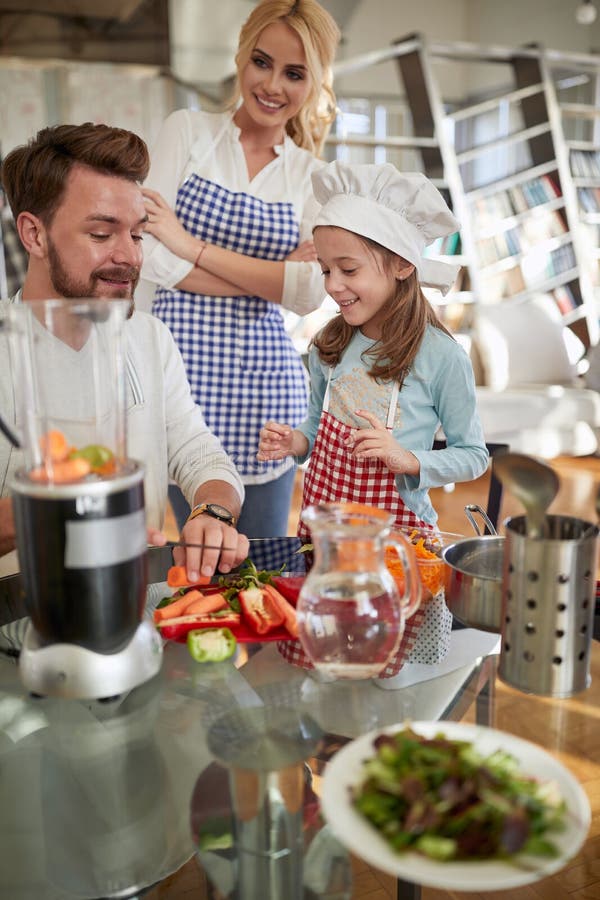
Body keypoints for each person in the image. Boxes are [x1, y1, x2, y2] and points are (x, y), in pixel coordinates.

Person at [257, 159, 489, 681]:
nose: (333, 285)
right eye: (326, 271)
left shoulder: (441, 356)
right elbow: (319, 433)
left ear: (403, 264)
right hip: (326, 537)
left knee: (385, 666)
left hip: (396, 546)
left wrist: (408, 458)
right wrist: (295, 441)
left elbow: (473, 455)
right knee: (326, 657)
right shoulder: (329, 344)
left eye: (349, 269)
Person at [0, 122, 249, 582]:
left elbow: (199, 452)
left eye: (136, 235)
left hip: (139, 619)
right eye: (101, 234)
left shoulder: (149, 337)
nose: (131, 257)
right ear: (34, 235)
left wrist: (213, 512)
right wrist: (41, 510)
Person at [139, 0, 341, 538]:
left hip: (263, 393)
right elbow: (149, 257)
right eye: (262, 62)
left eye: (294, 73)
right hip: (179, 380)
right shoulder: (187, 132)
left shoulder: (310, 177)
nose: (273, 84)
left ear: (313, 84)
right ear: (240, 58)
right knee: (197, 556)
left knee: (264, 564)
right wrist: (269, 276)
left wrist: (190, 245)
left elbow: (306, 295)